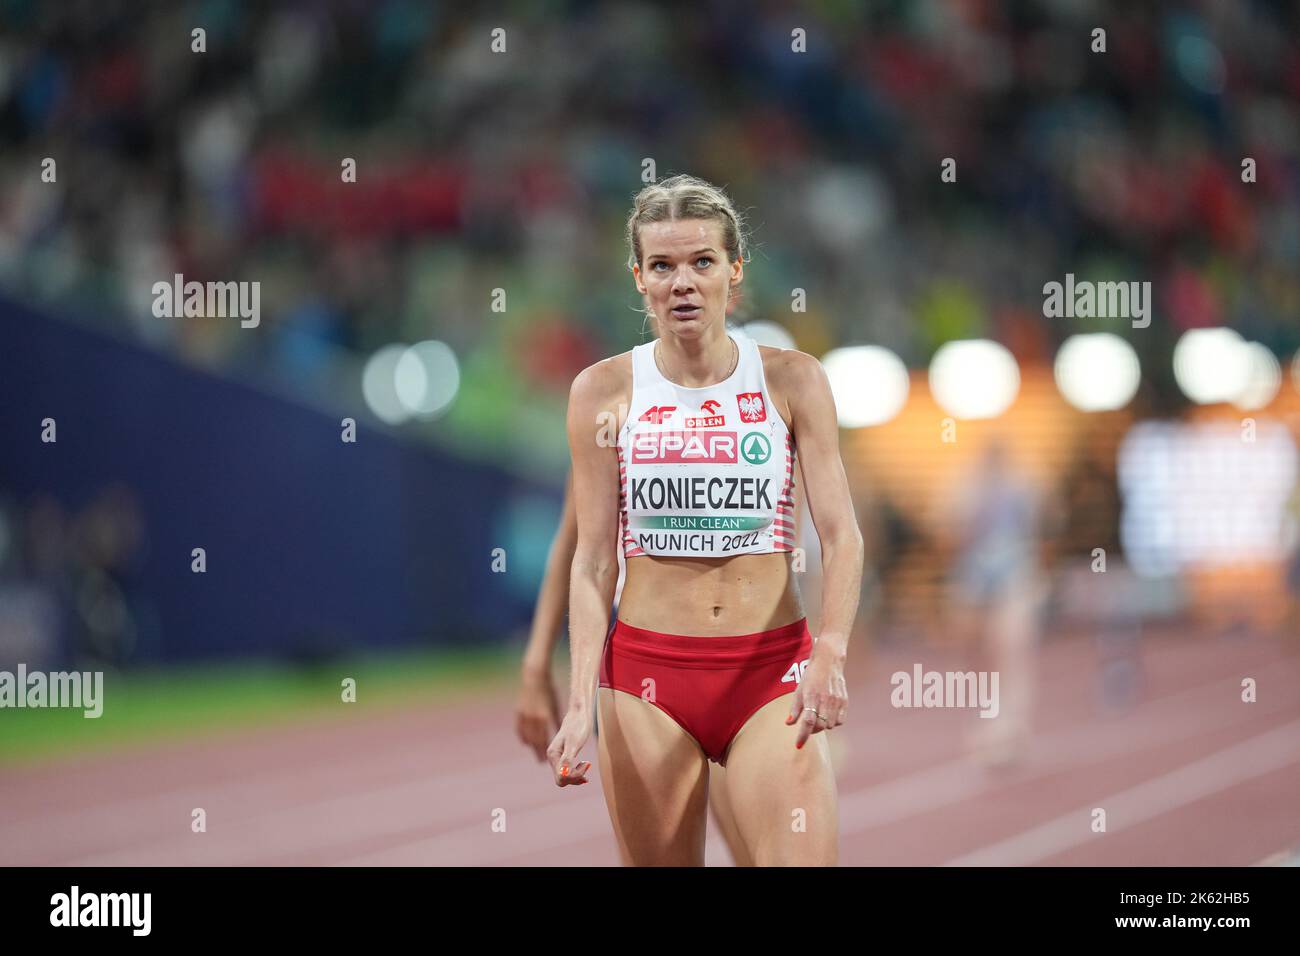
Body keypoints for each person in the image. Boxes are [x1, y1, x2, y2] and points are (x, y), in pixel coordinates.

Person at [548, 174, 864, 866]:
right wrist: (577, 703)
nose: (682, 282)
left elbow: (842, 536)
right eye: (662, 265)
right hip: (645, 682)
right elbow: (594, 560)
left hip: (770, 672)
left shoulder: (792, 380)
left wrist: (830, 650)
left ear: (734, 271)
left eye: (701, 262)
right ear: (638, 278)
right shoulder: (602, 391)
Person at [514, 469, 754, 864]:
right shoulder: (613, 412)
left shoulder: (749, 416)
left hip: (735, 662)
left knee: (753, 847)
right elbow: (573, 546)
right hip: (643, 666)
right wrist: (534, 666)